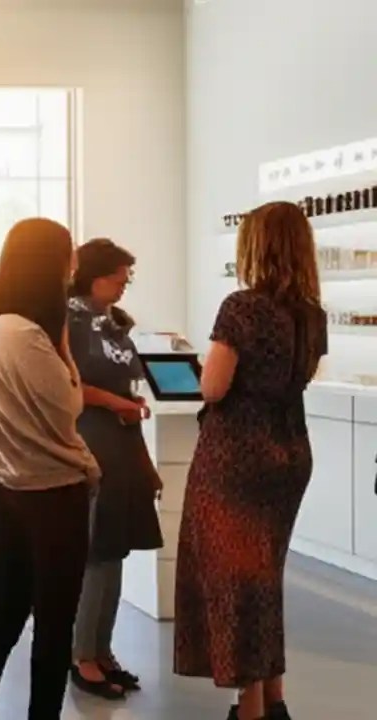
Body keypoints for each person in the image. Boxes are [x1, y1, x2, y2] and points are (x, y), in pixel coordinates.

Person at [174, 202, 327, 720]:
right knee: (265, 578)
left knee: (234, 582)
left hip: (236, 458)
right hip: (289, 453)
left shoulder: (241, 307)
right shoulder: (310, 313)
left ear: (255, 246)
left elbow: (214, 386)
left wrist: (206, 367)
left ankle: (252, 705)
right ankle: (275, 696)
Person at [0, 218, 101, 720]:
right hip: (51, 493)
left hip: (3, 486)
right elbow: (70, 404)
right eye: (70, 256)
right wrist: (63, 344)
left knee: (3, 613)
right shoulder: (29, 336)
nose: (75, 267)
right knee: (54, 625)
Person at [66, 238, 164, 700]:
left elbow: (125, 385)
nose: (126, 281)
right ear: (94, 273)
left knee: (116, 550)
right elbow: (70, 385)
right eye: (119, 274)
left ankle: (102, 650)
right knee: (95, 554)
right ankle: (82, 653)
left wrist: (144, 460)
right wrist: (117, 402)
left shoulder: (112, 324)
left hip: (122, 446)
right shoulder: (69, 320)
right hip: (90, 445)